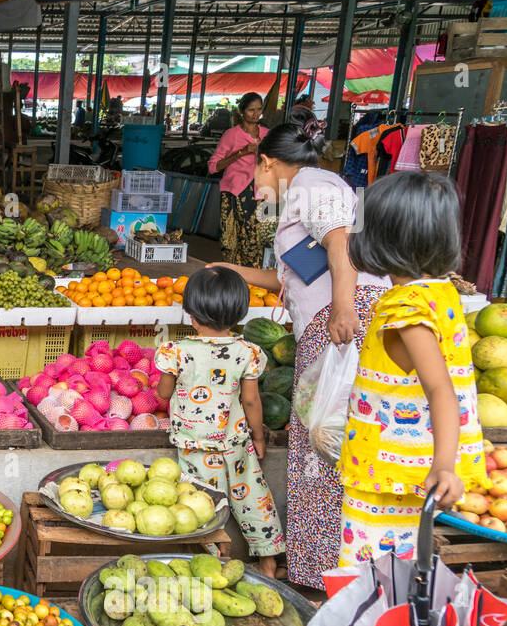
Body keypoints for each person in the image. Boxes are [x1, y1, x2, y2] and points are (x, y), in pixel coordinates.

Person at [208, 118, 390, 588]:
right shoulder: (302, 196)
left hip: (344, 327)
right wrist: (232, 268)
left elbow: (341, 244)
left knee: (329, 446)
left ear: (267, 161)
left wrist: (345, 312)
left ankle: (333, 569)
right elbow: (293, 280)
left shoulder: (313, 183)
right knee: (321, 445)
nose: (255, 187)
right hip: (329, 326)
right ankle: (318, 567)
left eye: (255, 175)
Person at [338, 172, 488, 565]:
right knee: (402, 573)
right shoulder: (441, 293)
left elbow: (441, 389)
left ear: (379, 237)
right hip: (410, 466)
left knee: (368, 580)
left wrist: (443, 466)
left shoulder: (405, 310)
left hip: (392, 473)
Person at [155, 268, 285, 576]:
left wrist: (170, 383)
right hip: (237, 442)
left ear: (191, 314)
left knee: (203, 505)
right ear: (240, 311)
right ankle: (268, 560)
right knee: (253, 496)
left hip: (196, 446)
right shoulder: (248, 352)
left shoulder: (177, 351)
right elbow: (252, 401)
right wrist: (259, 437)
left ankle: (214, 565)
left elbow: (163, 393)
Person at [208, 92, 269, 267]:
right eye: (251, 110)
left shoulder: (267, 134)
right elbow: (213, 167)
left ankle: (253, 280)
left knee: (255, 241)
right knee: (230, 240)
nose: (256, 114)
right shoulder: (231, 135)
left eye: (259, 109)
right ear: (242, 112)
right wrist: (242, 152)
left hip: (261, 193)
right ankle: (232, 275)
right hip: (234, 193)